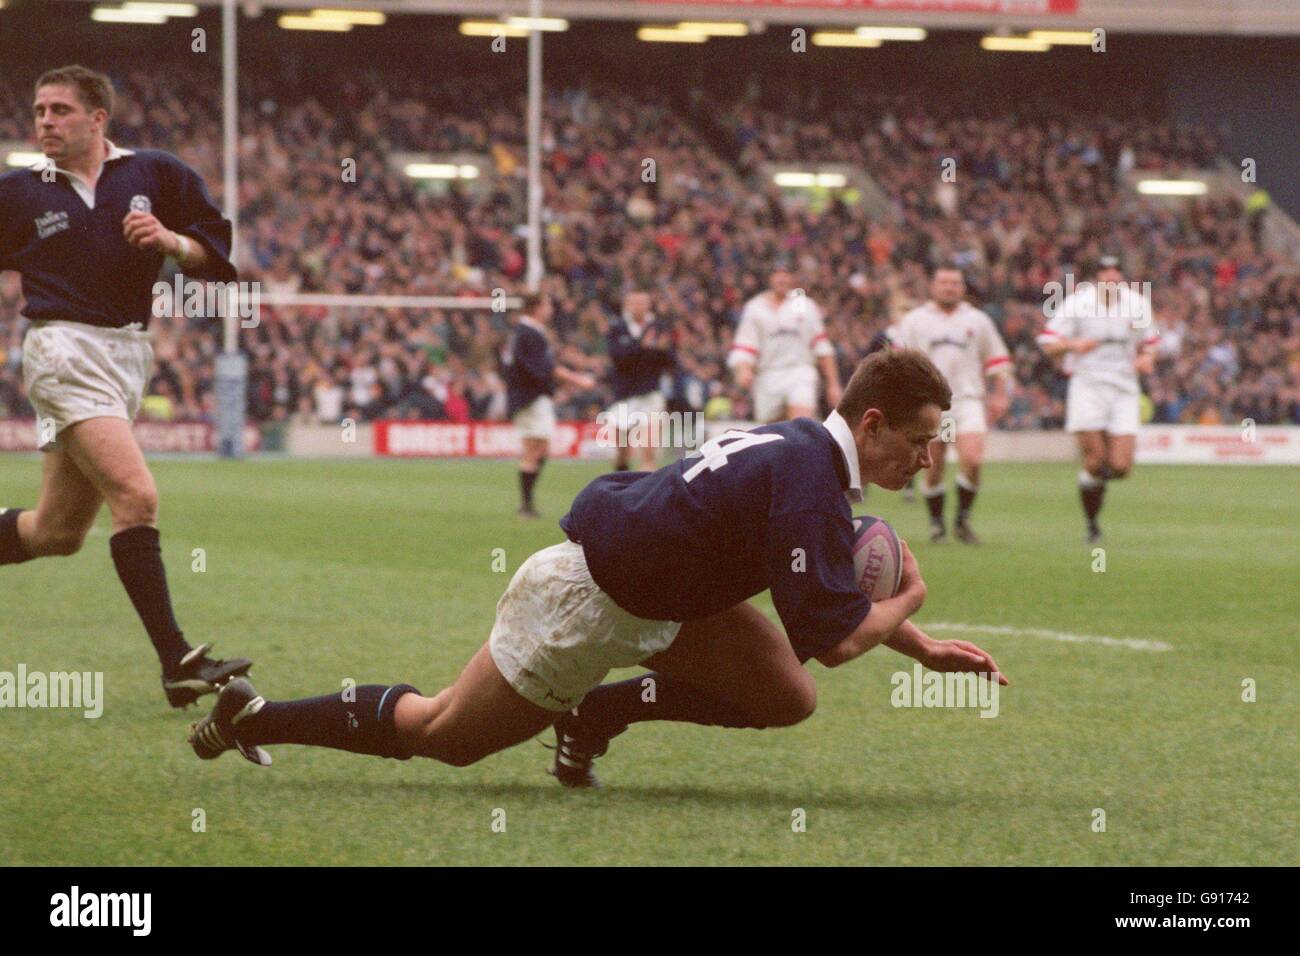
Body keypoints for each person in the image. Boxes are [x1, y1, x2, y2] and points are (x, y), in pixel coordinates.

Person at [186, 350, 1006, 786]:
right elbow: (835, 639)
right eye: (922, 439)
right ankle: (253, 715)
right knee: (446, 737)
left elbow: (824, 610)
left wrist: (925, 648)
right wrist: (913, 600)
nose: (930, 459)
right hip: (586, 601)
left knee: (783, 696)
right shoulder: (809, 486)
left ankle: (596, 716)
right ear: (871, 423)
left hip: (663, 595)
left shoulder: (805, 456)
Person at [0, 65, 252, 707]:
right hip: (61, 349)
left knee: (56, 533)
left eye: (60, 109)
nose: (46, 121)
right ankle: (177, 661)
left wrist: (173, 243)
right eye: (39, 111)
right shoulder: (20, 191)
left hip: (126, 355)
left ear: (97, 119)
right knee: (136, 497)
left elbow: (221, 262)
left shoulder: (156, 174)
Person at [1037, 256, 1159, 543]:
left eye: (1116, 272)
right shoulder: (1077, 304)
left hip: (1124, 388)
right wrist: (1072, 345)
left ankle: (1091, 487)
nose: (1112, 278)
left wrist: (1146, 359)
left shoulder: (1137, 304)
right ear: (1095, 279)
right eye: (1106, 272)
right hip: (1087, 385)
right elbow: (1048, 345)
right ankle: (1092, 524)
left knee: (1120, 467)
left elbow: (1150, 343)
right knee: (1093, 461)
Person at [895, 265, 1014, 544]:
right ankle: (937, 524)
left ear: (962, 288)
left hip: (968, 400)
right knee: (933, 467)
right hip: (930, 406)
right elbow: (899, 363)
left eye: (955, 283)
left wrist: (1000, 394)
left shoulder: (977, 320)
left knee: (972, 461)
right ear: (933, 286)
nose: (949, 287)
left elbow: (997, 359)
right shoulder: (915, 320)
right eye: (944, 282)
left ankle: (962, 519)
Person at [501, 291, 594, 518]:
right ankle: (525, 505)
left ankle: (527, 503)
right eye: (547, 304)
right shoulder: (529, 333)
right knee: (534, 450)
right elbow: (545, 368)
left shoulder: (526, 333)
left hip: (530, 397)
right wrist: (578, 380)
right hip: (530, 399)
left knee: (538, 449)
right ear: (536, 308)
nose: (551, 309)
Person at [727, 264, 842, 423]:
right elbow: (745, 347)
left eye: (786, 274)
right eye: (777, 274)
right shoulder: (755, 308)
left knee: (800, 425)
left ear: (792, 278)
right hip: (767, 374)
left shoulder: (804, 304)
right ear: (770, 278)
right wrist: (743, 369)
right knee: (773, 432)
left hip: (800, 370)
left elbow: (822, 347)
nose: (782, 279)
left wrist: (833, 384)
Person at [605, 288, 675, 471]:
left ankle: (646, 497)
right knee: (622, 452)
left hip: (651, 393)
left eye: (642, 303)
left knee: (648, 451)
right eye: (634, 303)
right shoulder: (617, 328)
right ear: (627, 305)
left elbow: (671, 361)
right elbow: (618, 359)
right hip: (623, 395)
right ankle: (621, 484)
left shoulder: (660, 327)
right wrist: (642, 347)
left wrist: (661, 350)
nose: (639, 307)